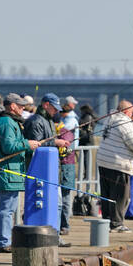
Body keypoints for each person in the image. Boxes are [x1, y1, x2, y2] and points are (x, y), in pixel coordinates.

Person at [0, 93, 37, 251]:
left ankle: (4, 240)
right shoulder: (7, 122)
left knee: (8, 208)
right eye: (20, 105)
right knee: (6, 209)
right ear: (12, 106)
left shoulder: (10, 121)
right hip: (7, 173)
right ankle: (3, 242)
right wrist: (27, 144)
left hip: (11, 173)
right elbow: (8, 147)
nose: (23, 108)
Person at [97, 99, 133, 232]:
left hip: (104, 161)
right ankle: (116, 224)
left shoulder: (109, 120)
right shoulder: (125, 123)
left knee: (107, 195)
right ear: (126, 111)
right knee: (121, 196)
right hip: (118, 163)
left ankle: (106, 221)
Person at [23, 94, 71, 246]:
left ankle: (54, 234)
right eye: (53, 108)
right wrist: (55, 142)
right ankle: (50, 235)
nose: (55, 111)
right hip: (41, 170)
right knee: (48, 204)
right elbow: (36, 146)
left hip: (51, 170)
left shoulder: (47, 120)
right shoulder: (36, 121)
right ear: (45, 105)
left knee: (56, 204)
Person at [57, 95, 80, 235]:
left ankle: (65, 225)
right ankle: (61, 224)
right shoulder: (65, 126)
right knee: (63, 196)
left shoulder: (68, 126)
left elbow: (66, 145)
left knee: (65, 196)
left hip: (66, 164)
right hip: (65, 164)